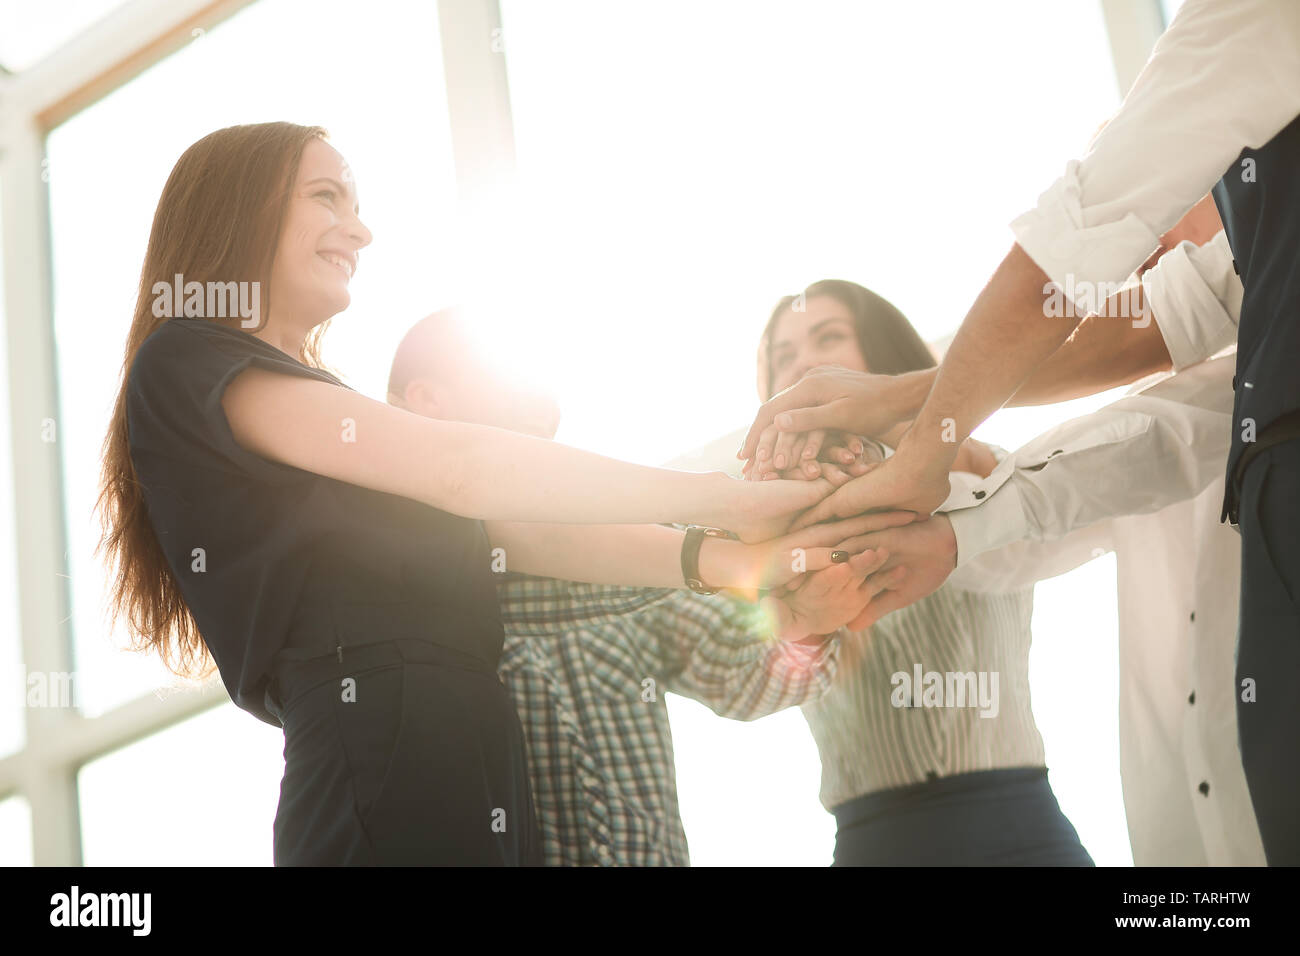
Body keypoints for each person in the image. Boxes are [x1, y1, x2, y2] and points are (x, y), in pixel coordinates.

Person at [95, 122, 882, 866]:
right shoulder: (188, 360)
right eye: (327, 197)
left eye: (358, 205)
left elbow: (525, 533)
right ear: (239, 204)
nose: (360, 230)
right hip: (381, 751)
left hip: (471, 751)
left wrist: (745, 556)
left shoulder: (322, 419)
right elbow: (464, 469)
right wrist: (728, 499)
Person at [740, 0, 1300, 864]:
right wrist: (918, 442)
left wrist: (924, 438)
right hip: (1184, 841)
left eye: (1168, 207)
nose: (1140, 255)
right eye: (786, 354)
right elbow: (1156, 387)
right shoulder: (1222, 341)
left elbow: (1104, 265)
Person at [385, 307, 908, 865]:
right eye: (510, 383)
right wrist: (758, 526)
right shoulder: (383, 557)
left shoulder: (635, 560)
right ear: (426, 401)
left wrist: (807, 623)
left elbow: (746, 680)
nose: (547, 410)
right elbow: (510, 573)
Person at [750, 280, 1094, 866]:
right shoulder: (763, 522)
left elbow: (1065, 531)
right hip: (875, 840)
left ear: (881, 356)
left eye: (827, 338)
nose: (802, 362)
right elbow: (766, 676)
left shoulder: (974, 463)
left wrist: (913, 433)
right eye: (783, 355)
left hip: (1024, 829)